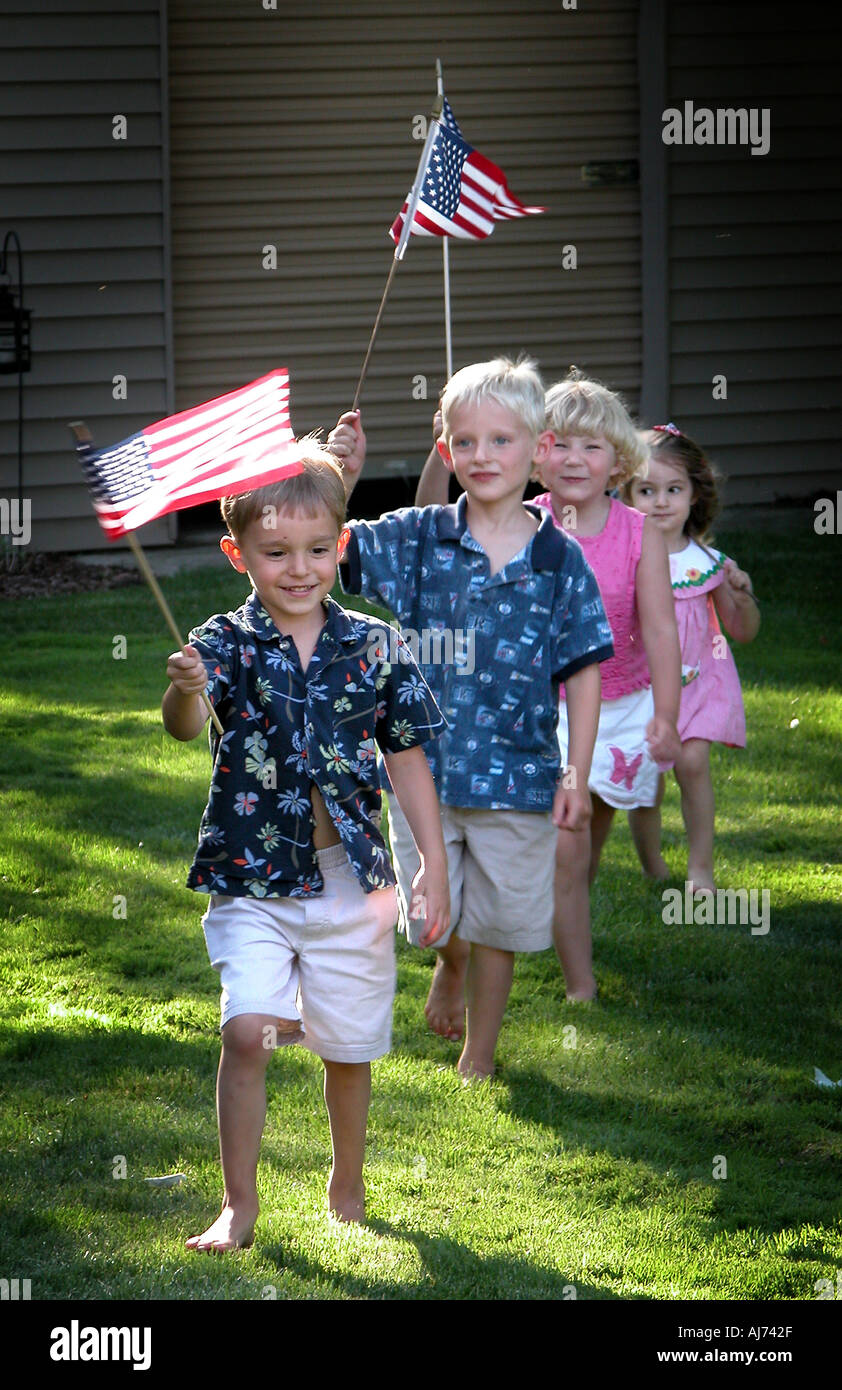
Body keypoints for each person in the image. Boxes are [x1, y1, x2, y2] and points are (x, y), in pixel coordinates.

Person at [162, 443, 450, 1250]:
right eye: (275, 552)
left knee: (348, 1047)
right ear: (237, 553)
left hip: (351, 882)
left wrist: (433, 860)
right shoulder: (222, 644)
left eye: (317, 550)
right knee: (246, 1029)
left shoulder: (376, 645)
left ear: (341, 546)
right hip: (252, 876)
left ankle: (347, 1179)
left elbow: (406, 756)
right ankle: (238, 1204)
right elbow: (186, 725)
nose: (299, 568)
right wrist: (183, 692)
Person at [327, 357, 612, 1073]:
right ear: (446, 449)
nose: (482, 456)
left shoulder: (560, 561)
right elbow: (323, 550)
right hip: (419, 772)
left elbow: (582, 673)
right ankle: (446, 964)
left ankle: (479, 1058)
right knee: (429, 922)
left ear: (540, 450)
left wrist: (576, 772)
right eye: (467, 441)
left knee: (501, 928)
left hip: (518, 778)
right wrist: (340, 478)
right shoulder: (420, 538)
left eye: (502, 440)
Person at [530, 369, 682, 999]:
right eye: (559, 442)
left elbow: (662, 629)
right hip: (546, 707)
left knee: (587, 841)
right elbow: (437, 515)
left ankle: (568, 917)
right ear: (537, 453)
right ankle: (580, 985)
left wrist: (667, 716)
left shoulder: (637, 531)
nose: (574, 458)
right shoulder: (521, 521)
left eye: (591, 447)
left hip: (621, 703)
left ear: (619, 463)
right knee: (566, 842)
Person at [623, 424, 760, 893]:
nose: (660, 502)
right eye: (646, 490)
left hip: (699, 683)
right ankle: (652, 864)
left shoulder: (708, 562)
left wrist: (742, 596)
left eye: (673, 489)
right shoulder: (626, 558)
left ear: (694, 495)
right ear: (626, 494)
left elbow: (742, 631)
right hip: (643, 688)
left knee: (693, 764)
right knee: (648, 781)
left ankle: (701, 871)